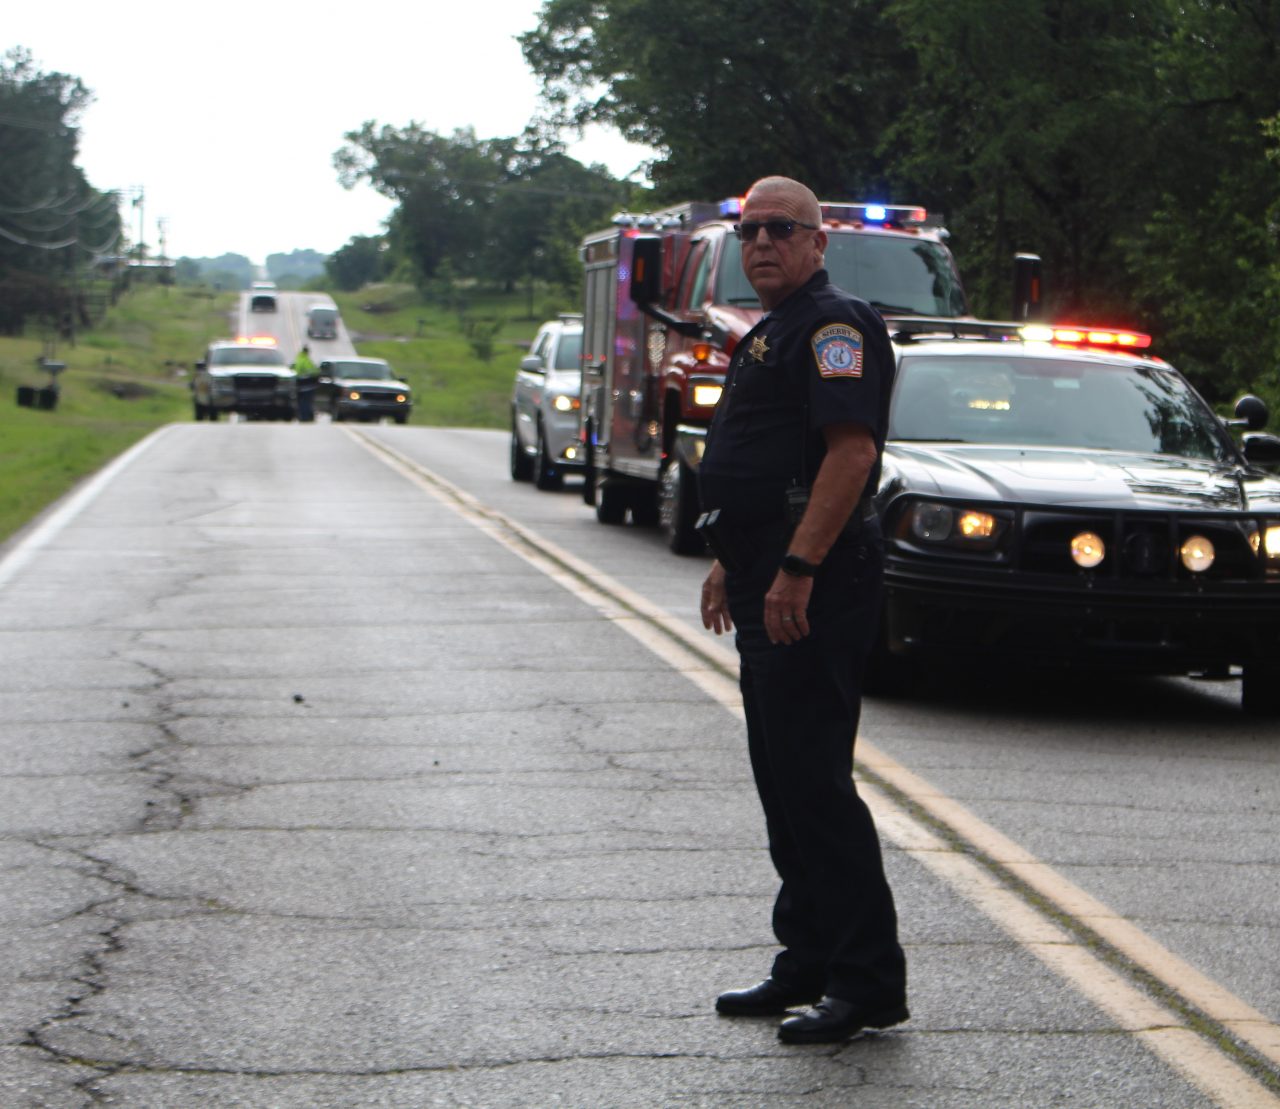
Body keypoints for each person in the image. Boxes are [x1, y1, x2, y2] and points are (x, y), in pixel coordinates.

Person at [698, 176, 907, 1045]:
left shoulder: (833, 326)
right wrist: (730, 557)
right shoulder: (772, 332)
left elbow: (849, 455)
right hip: (766, 575)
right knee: (784, 785)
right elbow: (765, 456)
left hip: (813, 585)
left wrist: (796, 565)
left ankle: (865, 981)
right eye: (749, 232)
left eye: (782, 230)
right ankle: (808, 959)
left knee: (815, 785)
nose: (762, 245)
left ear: (819, 243)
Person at [291, 345, 318, 422]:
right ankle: (305, 417)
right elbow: (314, 372)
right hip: (307, 385)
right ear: (307, 352)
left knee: (300, 402)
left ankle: (301, 416)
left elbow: (293, 370)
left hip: (298, 385)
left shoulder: (298, 359)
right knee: (306, 402)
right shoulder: (307, 360)